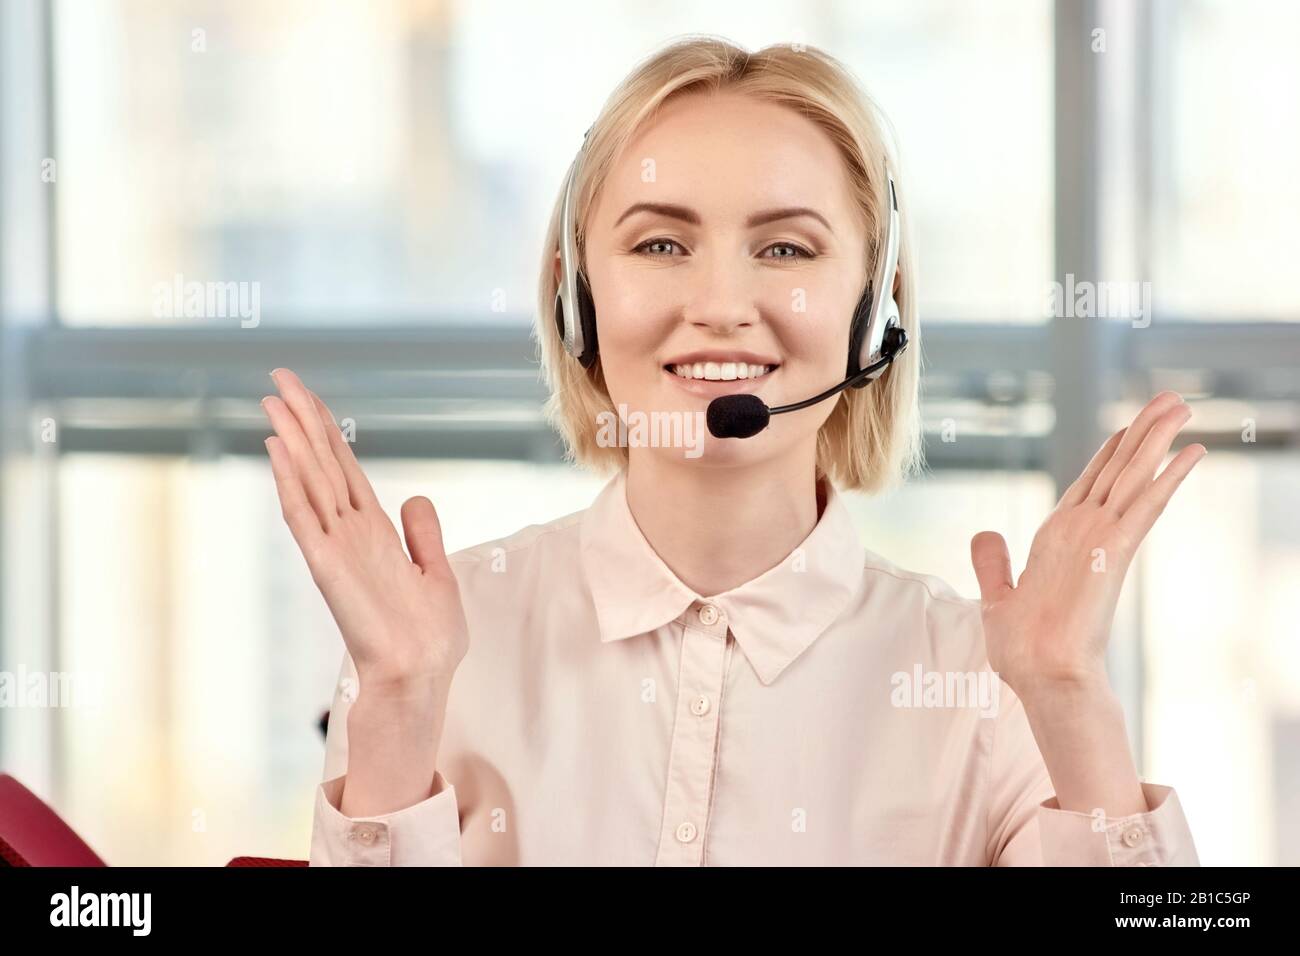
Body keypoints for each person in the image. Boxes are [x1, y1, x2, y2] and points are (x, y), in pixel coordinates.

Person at [260, 37, 1205, 866]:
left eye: (787, 251)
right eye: (661, 245)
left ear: (871, 316)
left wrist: (1070, 699)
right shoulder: (430, 646)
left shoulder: (988, 682)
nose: (719, 302)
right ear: (576, 302)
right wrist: (395, 705)